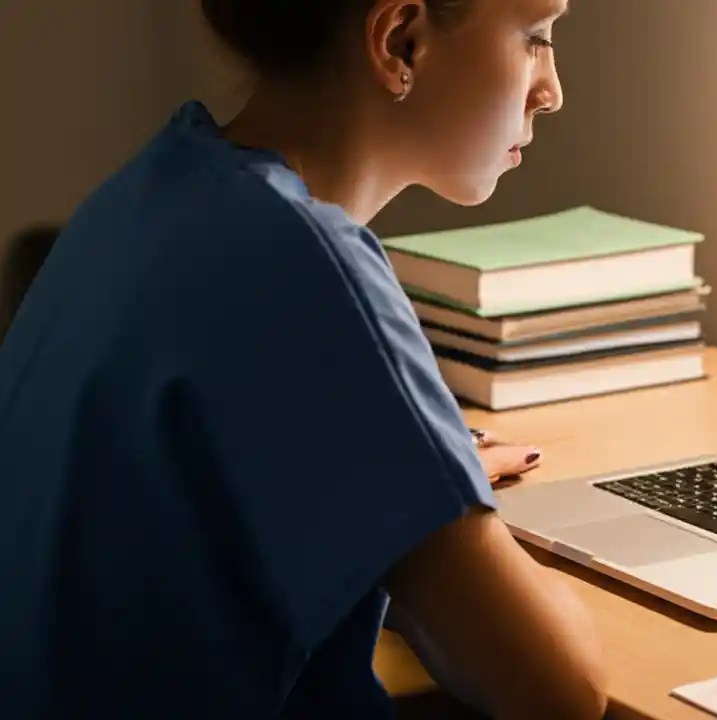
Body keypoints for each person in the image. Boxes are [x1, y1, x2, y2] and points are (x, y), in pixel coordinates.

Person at [0, 0, 608, 718]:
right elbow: (560, 691)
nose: (553, 90)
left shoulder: (147, 196)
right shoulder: (304, 262)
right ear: (400, 41)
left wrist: (419, 476)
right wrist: (441, 506)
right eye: (535, 38)